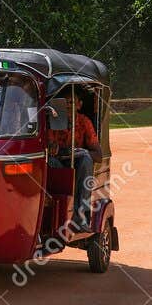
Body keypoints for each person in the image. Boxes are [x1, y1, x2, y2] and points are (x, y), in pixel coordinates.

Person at [46, 88, 100, 232]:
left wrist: (80, 153)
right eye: (64, 102)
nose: (68, 105)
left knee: (86, 159)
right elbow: (50, 147)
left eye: (71, 102)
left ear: (79, 105)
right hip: (58, 164)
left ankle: (80, 216)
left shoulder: (84, 122)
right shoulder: (54, 121)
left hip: (79, 166)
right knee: (50, 162)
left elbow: (98, 154)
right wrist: (53, 148)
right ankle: (56, 213)